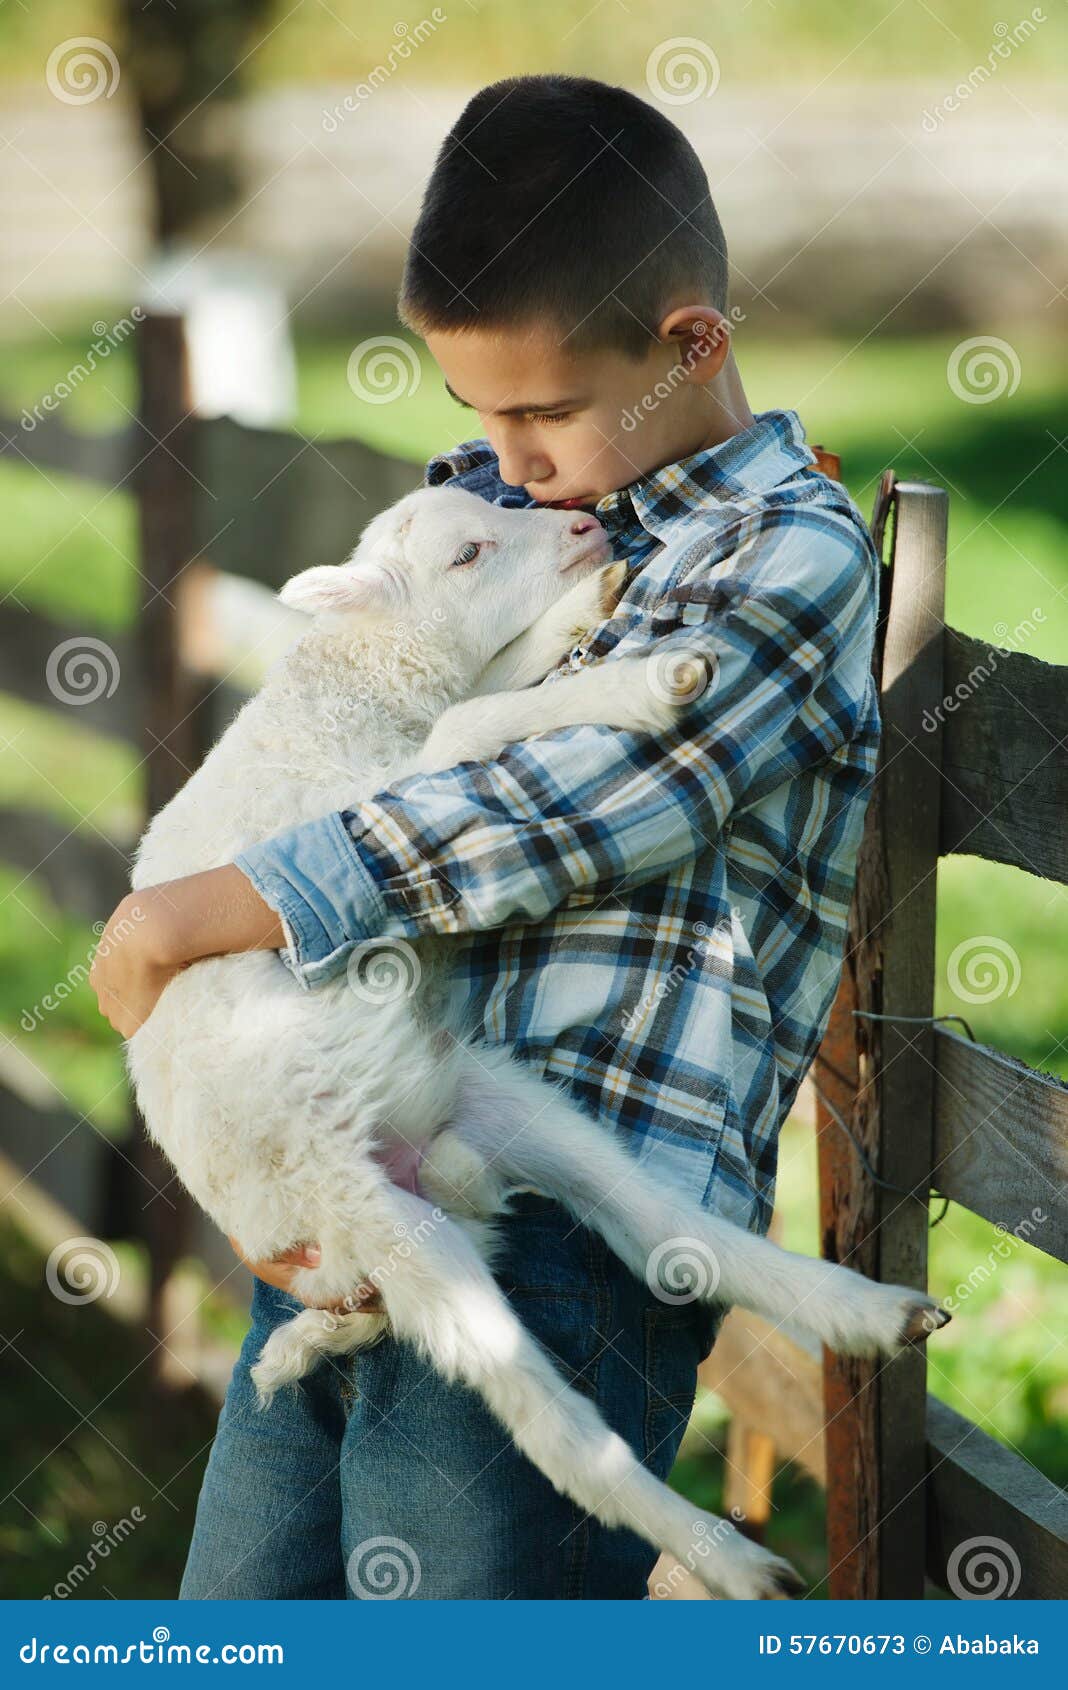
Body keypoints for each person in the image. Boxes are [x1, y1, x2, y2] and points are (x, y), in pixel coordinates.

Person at [91, 73, 881, 1599]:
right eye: (478, 415)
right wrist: (259, 1162)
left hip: (584, 1224)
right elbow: (347, 736)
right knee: (240, 1613)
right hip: (370, 1164)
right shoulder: (506, 508)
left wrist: (230, 903)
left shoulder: (786, 552)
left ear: (690, 345)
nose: (507, 458)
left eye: (543, 410)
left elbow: (587, 805)